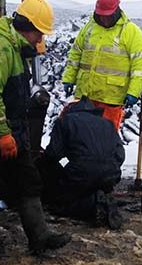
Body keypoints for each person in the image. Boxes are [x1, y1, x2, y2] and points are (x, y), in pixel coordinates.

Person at [0, 0, 71, 254]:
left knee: (28, 181)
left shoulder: (15, 50)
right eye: (39, 33)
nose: (40, 39)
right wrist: (2, 134)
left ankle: (40, 238)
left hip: (12, 134)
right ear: (28, 27)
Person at [61, 0, 142, 130]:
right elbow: (75, 54)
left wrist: (134, 91)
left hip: (111, 99)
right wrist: (69, 78)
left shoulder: (131, 32)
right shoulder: (89, 28)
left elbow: (140, 65)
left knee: (105, 141)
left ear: (116, 11)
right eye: (101, 15)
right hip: (85, 95)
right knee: (80, 137)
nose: (104, 19)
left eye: (107, 15)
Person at [38, 97, 125, 229]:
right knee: (90, 182)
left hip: (79, 174)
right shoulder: (108, 123)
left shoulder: (65, 122)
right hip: (110, 176)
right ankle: (100, 196)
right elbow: (120, 153)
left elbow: (54, 153)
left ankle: (93, 205)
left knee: (56, 203)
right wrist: (112, 166)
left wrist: (65, 166)